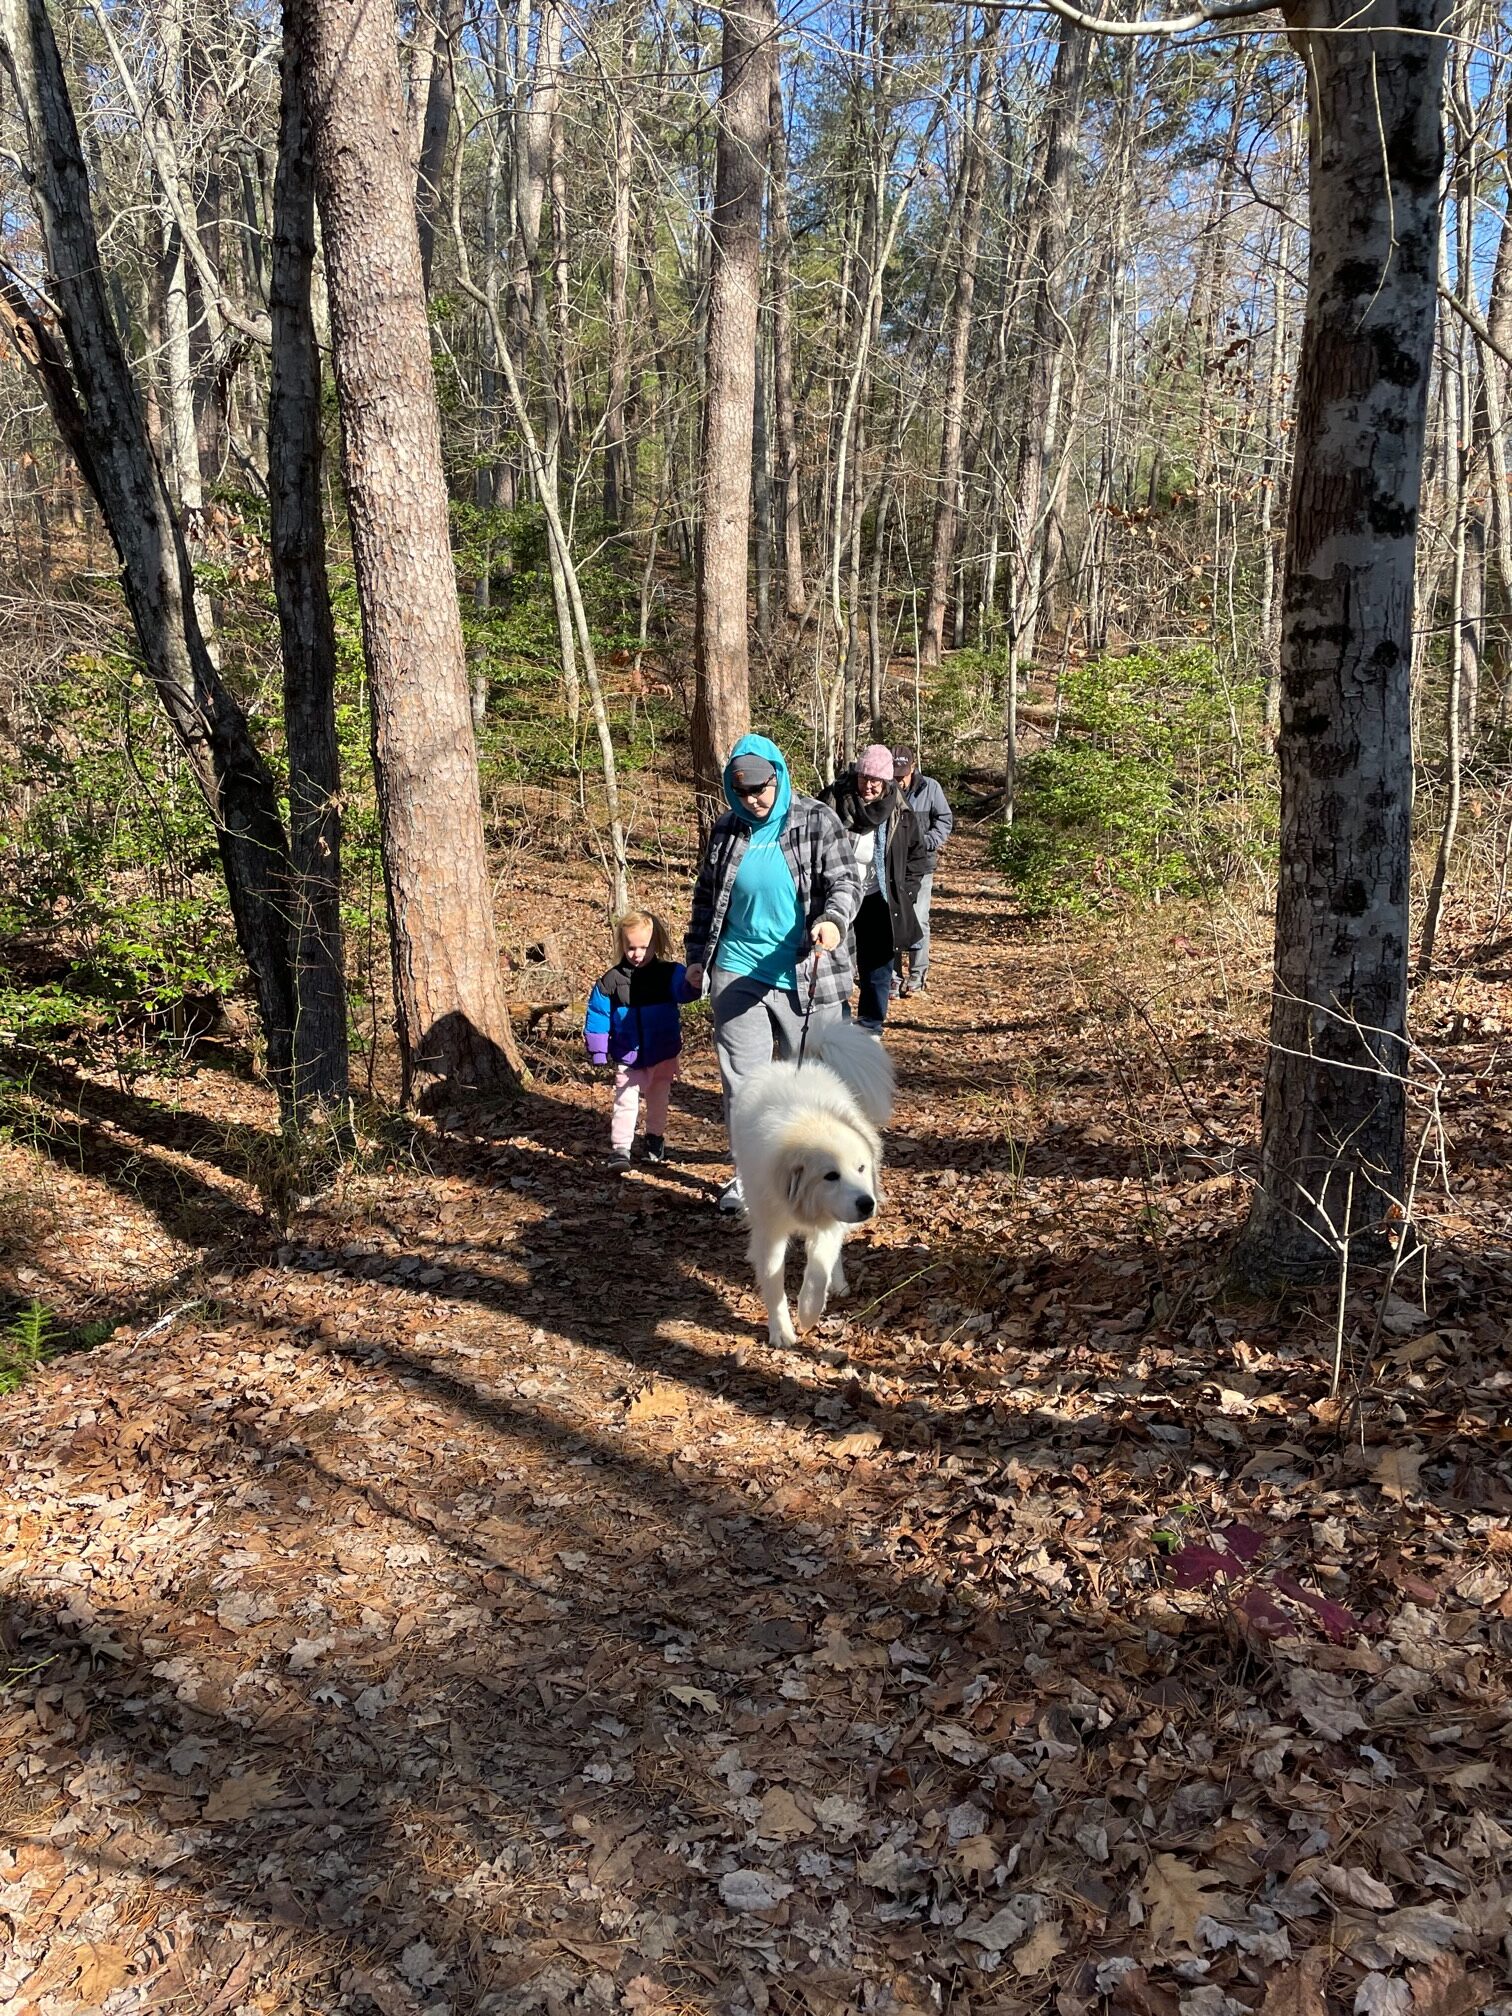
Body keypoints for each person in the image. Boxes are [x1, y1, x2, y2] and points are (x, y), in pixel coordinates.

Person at [685, 734, 862, 1214]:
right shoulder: (727, 829)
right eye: (742, 791)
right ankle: (751, 1178)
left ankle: (825, 1178)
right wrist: (698, 956)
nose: (753, 799)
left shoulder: (816, 819)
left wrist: (832, 919)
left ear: (778, 778)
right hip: (737, 972)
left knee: (813, 1083)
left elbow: (846, 880)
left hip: (808, 973)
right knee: (745, 1084)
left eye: (761, 788)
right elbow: (707, 899)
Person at [820, 744, 930, 1032]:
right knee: (834, 959)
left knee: (878, 964)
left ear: (886, 782)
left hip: (878, 896)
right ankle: (837, 1022)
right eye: (863, 778)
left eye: (875, 780)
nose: (868, 786)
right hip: (836, 896)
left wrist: (905, 892)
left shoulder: (900, 811)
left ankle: (870, 1025)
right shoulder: (831, 802)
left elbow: (917, 856)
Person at [584, 910, 695, 1168]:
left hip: (663, 1051)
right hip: (627, 1054)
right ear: (622, 945)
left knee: (659, 1100)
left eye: (644, 947)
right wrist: (599, 1050)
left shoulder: (670, 973)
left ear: (656, 944)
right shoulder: (611, 980)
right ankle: (621, 1148)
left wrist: (694, 983)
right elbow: (598, 1014)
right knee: (624, 1100)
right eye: (631, 947)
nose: (637, 953)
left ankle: (655, 1139)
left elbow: (685, 991)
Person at [890, 746, 953, 996]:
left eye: (902, 774)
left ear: (913, 768)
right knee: (892, 919)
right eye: (894, 774)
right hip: (891, 866)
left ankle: (917, 975)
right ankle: (893, 976)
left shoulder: (931, 788)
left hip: (922, 865)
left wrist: (927, 841)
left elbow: (945, 820)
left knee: (918, 918)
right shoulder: (885, 790)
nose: (898, 780)